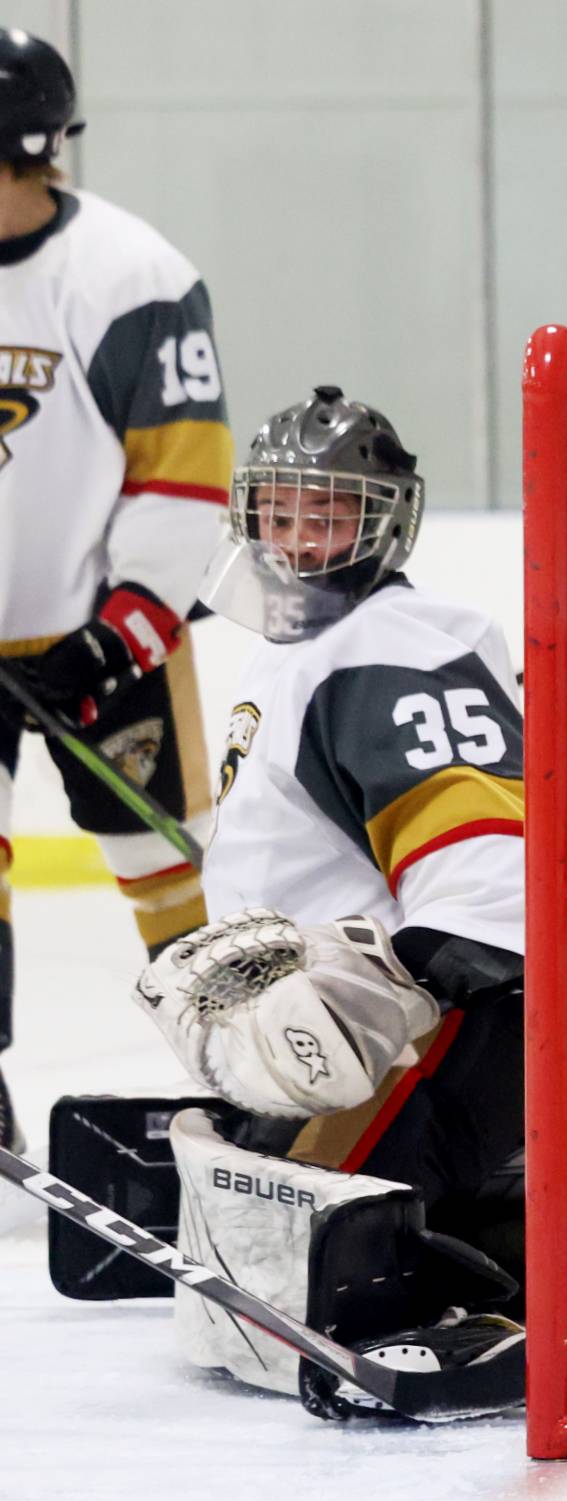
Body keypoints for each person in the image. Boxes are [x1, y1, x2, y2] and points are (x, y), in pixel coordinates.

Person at [132, 387, 526, 1418]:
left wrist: (408, 991)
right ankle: (500, 1220)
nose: (301, 539)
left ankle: (509, 1245)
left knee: (286, 1275)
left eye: (331, 514)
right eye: (282, 511)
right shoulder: (303, 642)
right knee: (250, 1228)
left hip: (436, 1025)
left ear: (385, 522)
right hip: (369, 1020)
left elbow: (485, 886)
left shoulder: (399, 641)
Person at [0, 29, 225, 1153]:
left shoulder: (134, 275)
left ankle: (235, 1070)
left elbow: (183, 477)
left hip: (104, 643)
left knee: (162, 855)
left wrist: (112, 638)